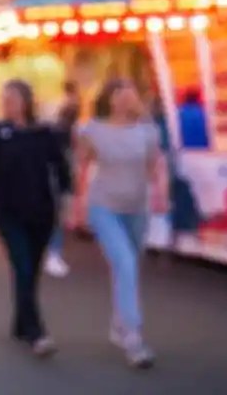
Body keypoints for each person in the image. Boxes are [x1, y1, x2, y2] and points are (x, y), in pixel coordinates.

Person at [72, 79, 169, 369]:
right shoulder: (93, 130)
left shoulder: (148, 131)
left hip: (137, 207)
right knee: (125, 263)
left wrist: (160, 193)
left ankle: (119, 323)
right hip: (104, 207)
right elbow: (82, 166)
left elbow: (154, 165)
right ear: (109, 99)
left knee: (127, 266)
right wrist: (77, 204)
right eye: (120, 94)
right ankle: (134, 337)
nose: (127, 99)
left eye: (131, 94)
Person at [0, 80, 72, 359]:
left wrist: (67, 201)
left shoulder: (45, 133)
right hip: (7, 213)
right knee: (23, 266)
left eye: (12, 99)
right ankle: (37, 332)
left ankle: (20, 322)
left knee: (31, 271)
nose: (7, 104)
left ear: (26, 101)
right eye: (3, 99)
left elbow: (61, 170)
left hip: (42, 212)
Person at [44, 81, 81, 278]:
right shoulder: (65, 134)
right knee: (57, 216)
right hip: (57, 180)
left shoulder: (56, 131)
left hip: (55, 179)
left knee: (55, 216)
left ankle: (51, 252)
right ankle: (53, 253)